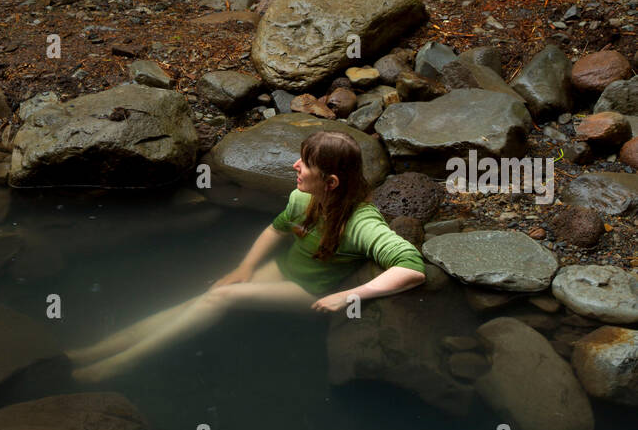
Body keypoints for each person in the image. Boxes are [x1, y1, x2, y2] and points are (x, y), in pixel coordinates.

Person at [70, 129, 426, 382]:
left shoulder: (361, 224)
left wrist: (349, 297)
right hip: (284, 270)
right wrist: (245, 267)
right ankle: (98, 350)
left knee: (220, 298)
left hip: (310, 290)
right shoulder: (303, 198)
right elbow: (275, 230)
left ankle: (119, 365)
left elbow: (411, 268)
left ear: (331, 182)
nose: (294, 167)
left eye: (304, 163)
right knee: (206, 294)